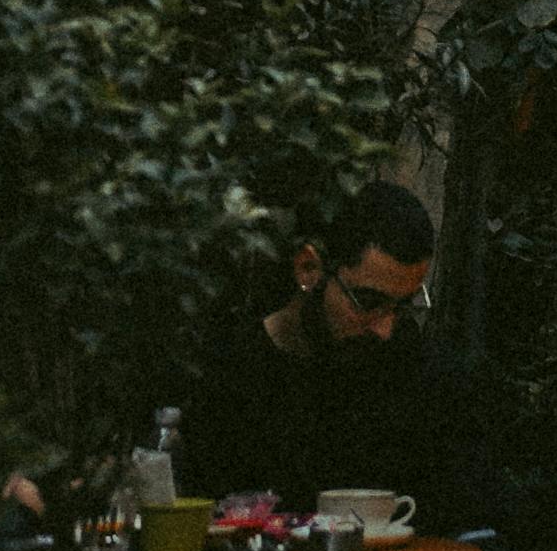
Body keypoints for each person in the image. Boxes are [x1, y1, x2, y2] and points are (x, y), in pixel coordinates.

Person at [186, 177, 472, 523]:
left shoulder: (411, 365)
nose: (384, 329)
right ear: (308, 269)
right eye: (368, 302)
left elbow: (465, 503)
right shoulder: (233, 373)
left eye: (402, 306)